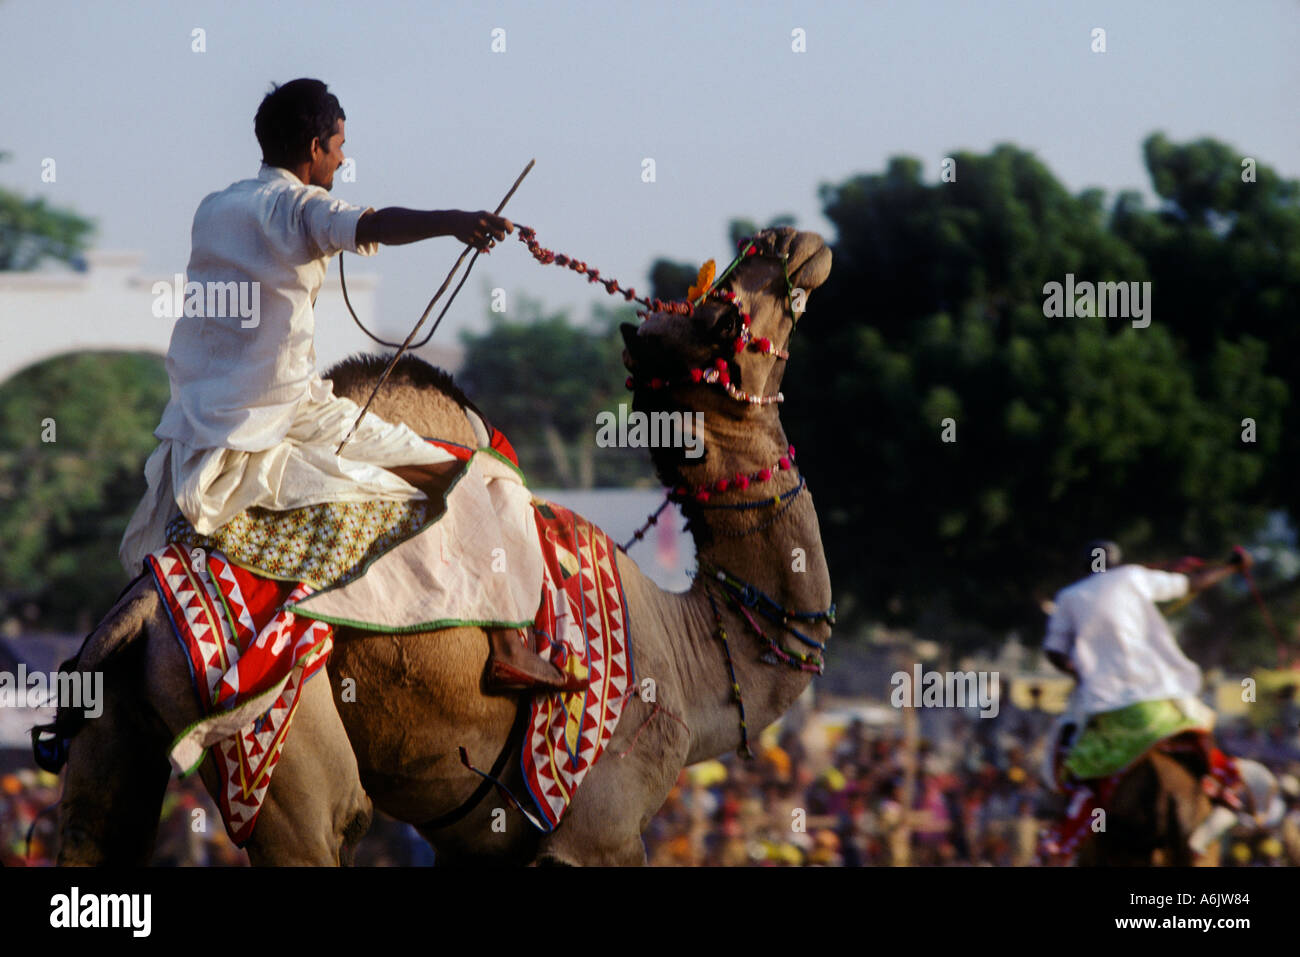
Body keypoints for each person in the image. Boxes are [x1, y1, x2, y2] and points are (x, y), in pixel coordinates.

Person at [119, 78, 567, 690]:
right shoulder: (298, 207)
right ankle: (511, 643)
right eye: (338, 147)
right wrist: (456, 222)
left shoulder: (214, 207)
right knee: (475, 473)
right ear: (312, 147)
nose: (342, 160)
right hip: (289, 415)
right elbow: (372, 221)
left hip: (198, 428)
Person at [1040, 539, 1252, 857]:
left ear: (1084, 566)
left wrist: (1077, 670)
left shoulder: (1069, 597)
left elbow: (1054, 651)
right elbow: (1191, 583)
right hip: (1162, 694)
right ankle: (1224, 796)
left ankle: (1064, 832)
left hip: (1104, 702)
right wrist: (1230, 567)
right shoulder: (1133, 577)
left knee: (1066, 753)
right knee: (1205, 737)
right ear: (1117, 560)